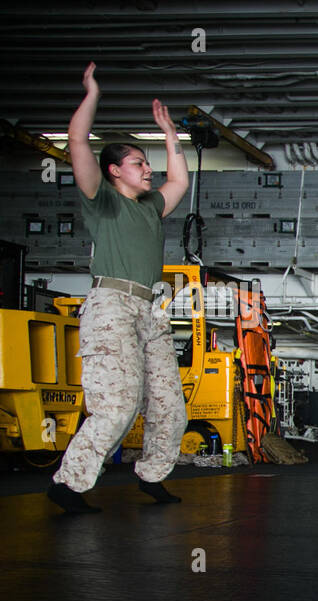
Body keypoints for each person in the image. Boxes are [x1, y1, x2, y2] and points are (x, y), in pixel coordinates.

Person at [48, 62, 189, 514]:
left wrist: (169, 134)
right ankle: (68, 484)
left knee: (170, 406)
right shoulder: (101, 200)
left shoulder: (151, 206)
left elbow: (180, 181)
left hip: (152, 310)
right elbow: (76, 144)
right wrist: (91, 94)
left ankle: (152, 475)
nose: (148, 170)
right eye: (138, 164)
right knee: (117, 406)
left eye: (148, 163)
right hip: (111, 306)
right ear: (113, 171)